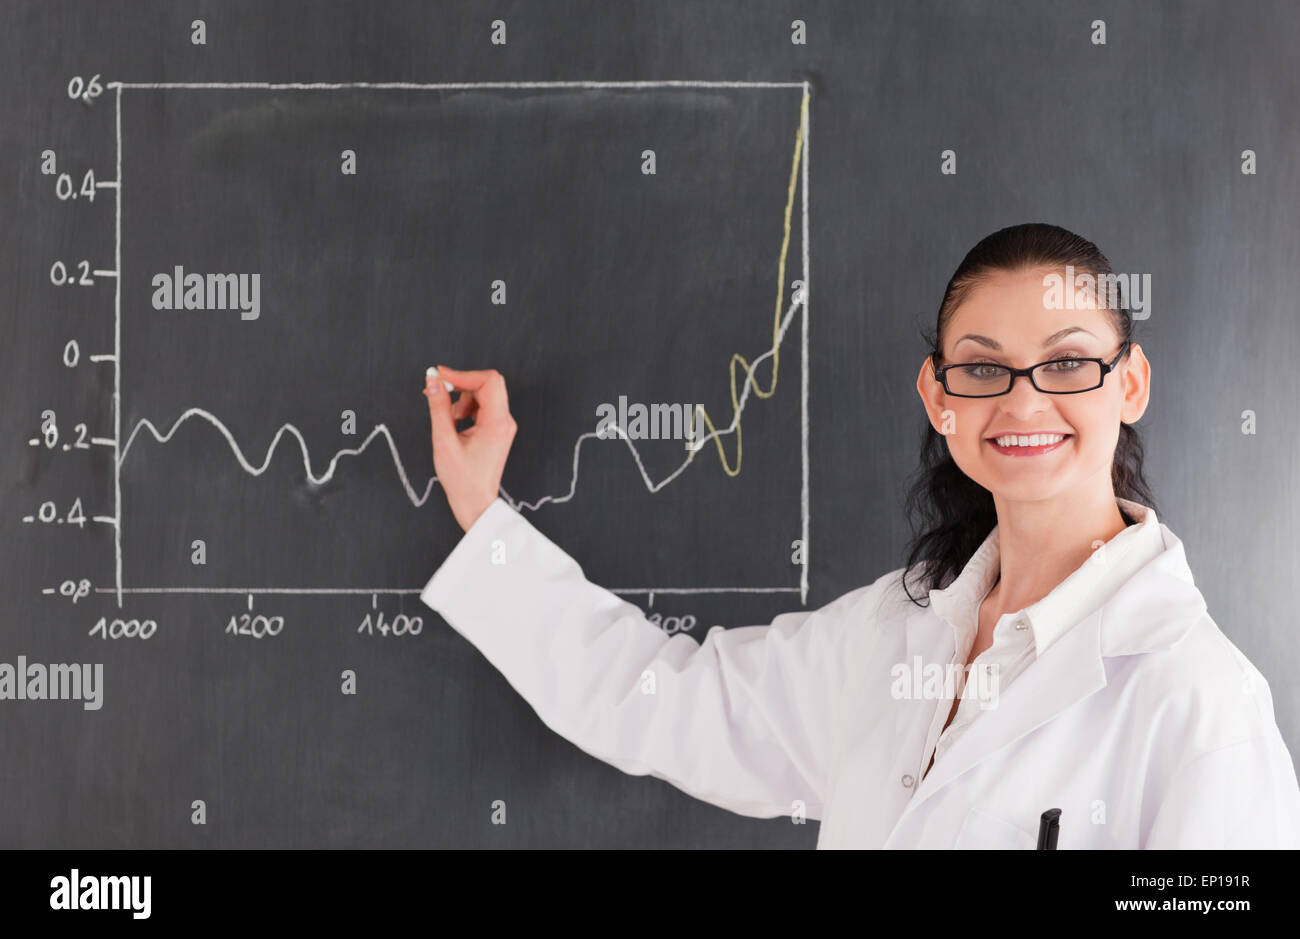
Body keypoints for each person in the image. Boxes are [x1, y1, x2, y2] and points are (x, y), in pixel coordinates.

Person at [418, 222, 1300, 848]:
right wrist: (483, 519)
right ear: (939, 397)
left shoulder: (1202, 705)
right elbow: (659, 702)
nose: (1024, 400)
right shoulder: (892, 632)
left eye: (1068, 361)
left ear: (1130, 382)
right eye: (984, 367)